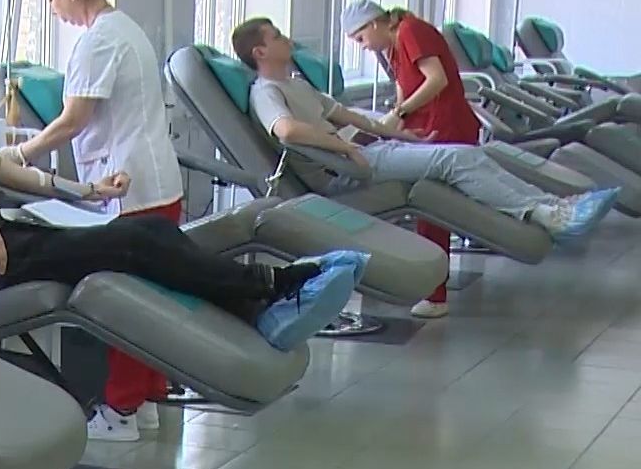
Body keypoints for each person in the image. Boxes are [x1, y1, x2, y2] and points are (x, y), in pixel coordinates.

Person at [0, 27, 365, 434]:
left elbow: (3, 170)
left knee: (143, 231)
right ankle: (273, 289)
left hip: (19, 230)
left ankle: (258, 304)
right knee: (137, 240)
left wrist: (83, 191)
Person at [236, 16, 619, 319]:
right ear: (260, 52)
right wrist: (344, 147)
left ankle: (549, 208)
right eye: (276, 36)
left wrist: (398, 132)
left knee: (467, 156)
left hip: (361, 155)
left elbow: (349, 115)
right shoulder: (266, 91)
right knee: (455, 158)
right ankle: (544, 212)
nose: (287, 38)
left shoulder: (298, 84)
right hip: (342, 172)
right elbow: (287, 130)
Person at [0, 0, 187, 440]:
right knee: (148, 297)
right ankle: (143, 401)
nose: (52, 7)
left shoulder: (99, 40)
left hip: (130, 190)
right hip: (154, 183)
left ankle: (120, 412)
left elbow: (73, 120)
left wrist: (19, 155)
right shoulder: (124, 29)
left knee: (124, 302)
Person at [338, 0, 482, 317]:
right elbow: (403, 91)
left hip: (445, 128)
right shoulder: (390, 49)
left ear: (374, 23)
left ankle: (436, 295)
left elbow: (437, 79)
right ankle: (423, 284)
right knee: (427, 209)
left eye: (361, 38)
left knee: (433, 209)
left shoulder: (411, 31)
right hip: (425, 130)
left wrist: (400, 114)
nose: (363, 47)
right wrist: (391, 126)